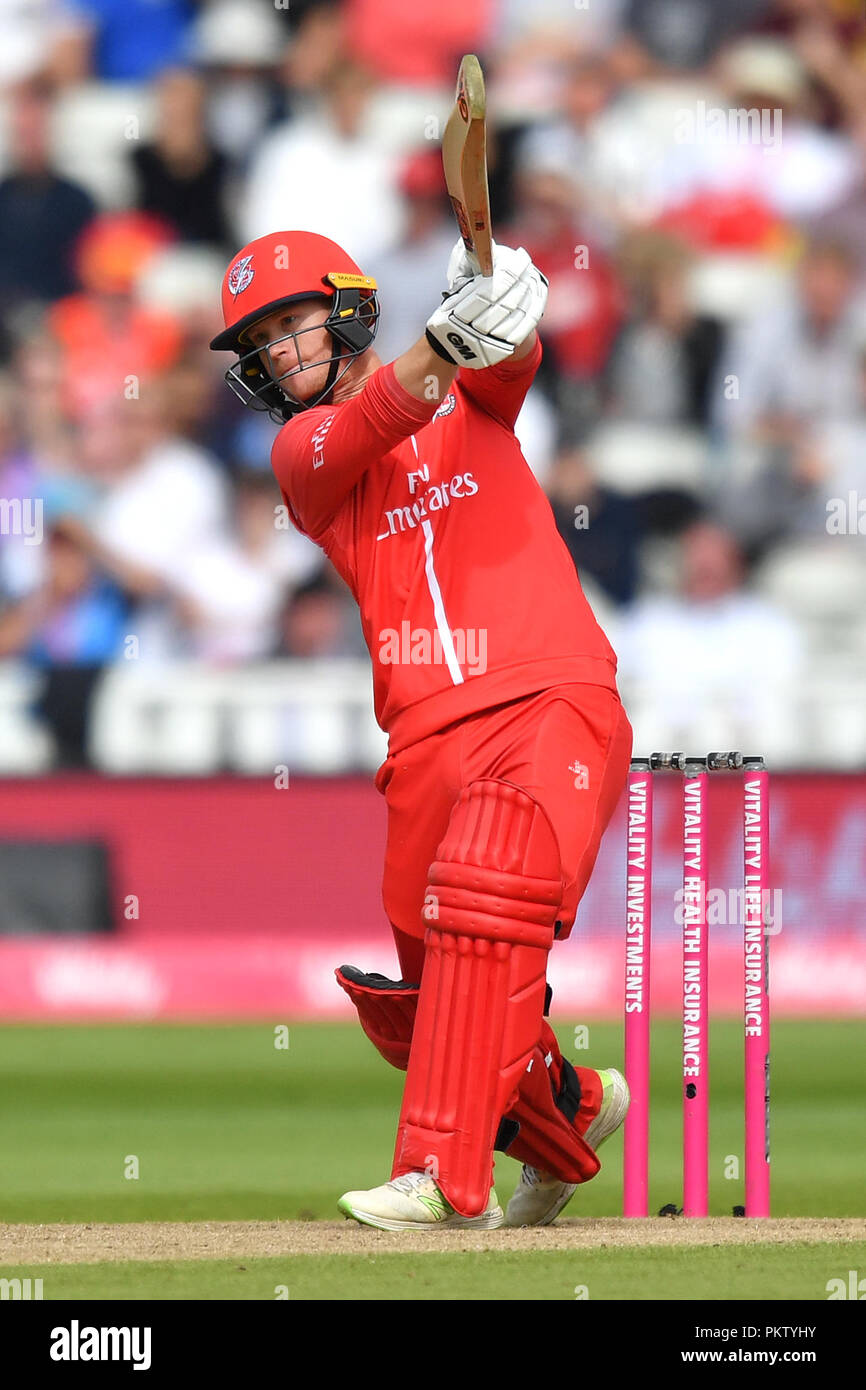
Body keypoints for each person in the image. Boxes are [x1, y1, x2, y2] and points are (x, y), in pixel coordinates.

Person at [210, 228, 634, 1230]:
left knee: (485, 897)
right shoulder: (300, 454)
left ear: (350, 306)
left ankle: (442, 1177)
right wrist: (442, 344)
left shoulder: (473, 391)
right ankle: (570, 1107)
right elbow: (365, 424)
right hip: (423, 744)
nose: (276, 352)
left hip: (546, 698)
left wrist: (500, 300)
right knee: (427, 1003)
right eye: (259, 342)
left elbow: (505, 356)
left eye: (289, 322)